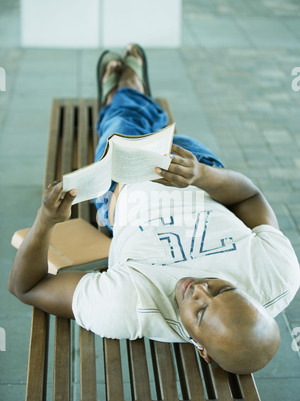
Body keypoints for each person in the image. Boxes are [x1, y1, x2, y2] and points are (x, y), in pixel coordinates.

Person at [8, 44, 300, 375]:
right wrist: (202, 175)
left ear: (201, 349)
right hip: (196, 168)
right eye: (224, 287)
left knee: (122, 123)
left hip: (123, 180)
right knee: (152, 127)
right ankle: (128, 88)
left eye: (200, 310)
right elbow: (250, 197)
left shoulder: (128, 306)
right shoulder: (279, 275)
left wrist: (45, 221)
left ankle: (127, 87)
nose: (199, 287)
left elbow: (26, 287)